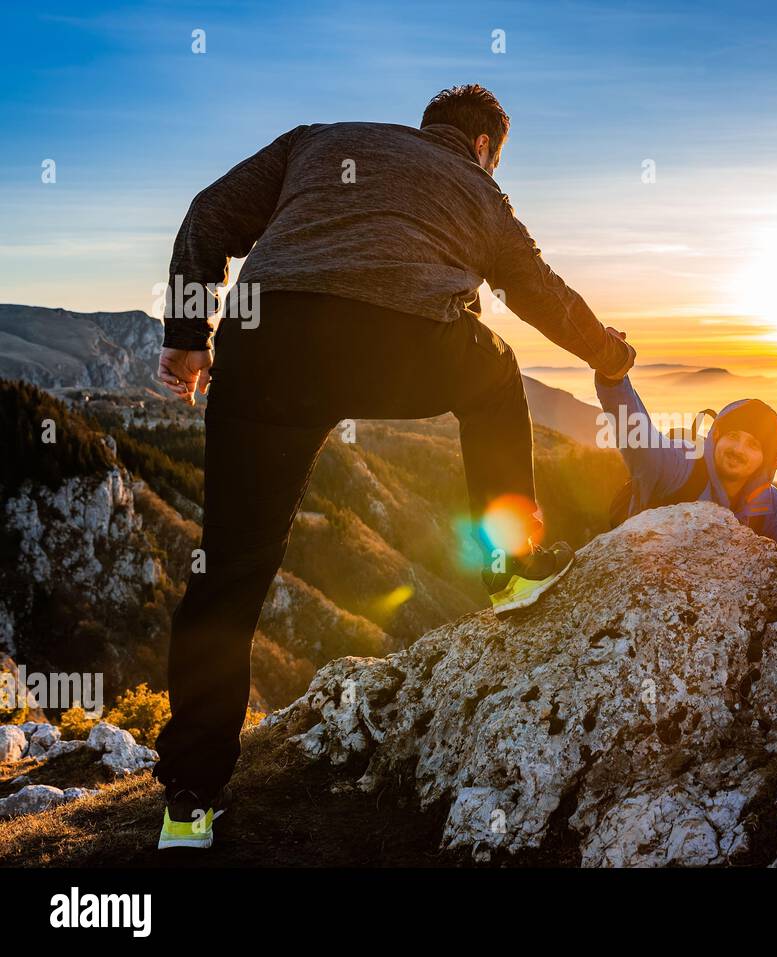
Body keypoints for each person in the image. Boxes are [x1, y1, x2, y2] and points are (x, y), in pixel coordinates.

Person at [151, 84, 634, 849]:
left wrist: (187, 331)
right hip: (401, 345)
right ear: (484, 147)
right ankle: (510, 560)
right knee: (496, 372)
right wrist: (613, 354)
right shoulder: (481, 190)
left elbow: (207, 212)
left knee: (230, 571)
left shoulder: (316, 140)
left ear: (428, 129)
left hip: (268, 344)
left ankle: (189, 799)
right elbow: (544, 298)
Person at [594, 352, 777, 555]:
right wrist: (613, 379)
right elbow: (639, 435)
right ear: (717, 436)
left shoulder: (766, 502)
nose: (738, 449)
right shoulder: (680, 468)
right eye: (733, 436)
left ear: (766, 459)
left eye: (753, 445)